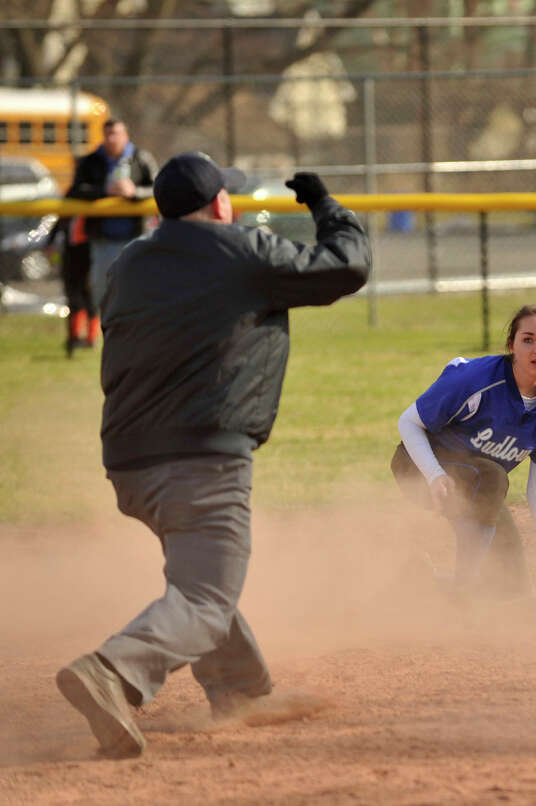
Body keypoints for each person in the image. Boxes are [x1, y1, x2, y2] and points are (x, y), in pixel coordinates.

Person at [55, 153, 370, 759]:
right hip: (200, 458)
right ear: (220, 205)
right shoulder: (240, 252)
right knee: (204, 598)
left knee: (201, 577)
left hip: (129, 463)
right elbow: (347, 266)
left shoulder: (128, 264)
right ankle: (113, 672)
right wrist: (327, 207)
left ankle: (241, 692)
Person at [390, 304, 536, 595]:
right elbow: (408, 422)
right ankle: (462, 592)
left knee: (512, 589)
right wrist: (434, 476)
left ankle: (424, 583)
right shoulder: (477, 380)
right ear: (511, 346)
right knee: (492, 477)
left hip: (478, 485)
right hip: (418, 467)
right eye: (527, 339)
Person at [65, 118, 157, 318]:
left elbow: (157, 190)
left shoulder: (140, 159)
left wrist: (135, 192)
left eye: (117, 134)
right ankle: (107, 329)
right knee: (103, 291)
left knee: (137, 289)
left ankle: (136, 328)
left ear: (126, 136)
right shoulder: (91, 161)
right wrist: (104, 190)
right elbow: (75, 191)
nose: (112, 139)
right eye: (108, 134)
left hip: (136, 237)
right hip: (102, 238)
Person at [51, 213, 96, 356]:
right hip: (70, 254)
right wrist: (50, 243)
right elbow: (56, 228)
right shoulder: (68, 209)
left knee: (88, 296)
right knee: (73, 297)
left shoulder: (90, 206)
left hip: (88, 253)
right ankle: (74, 336)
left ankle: (90, 337)